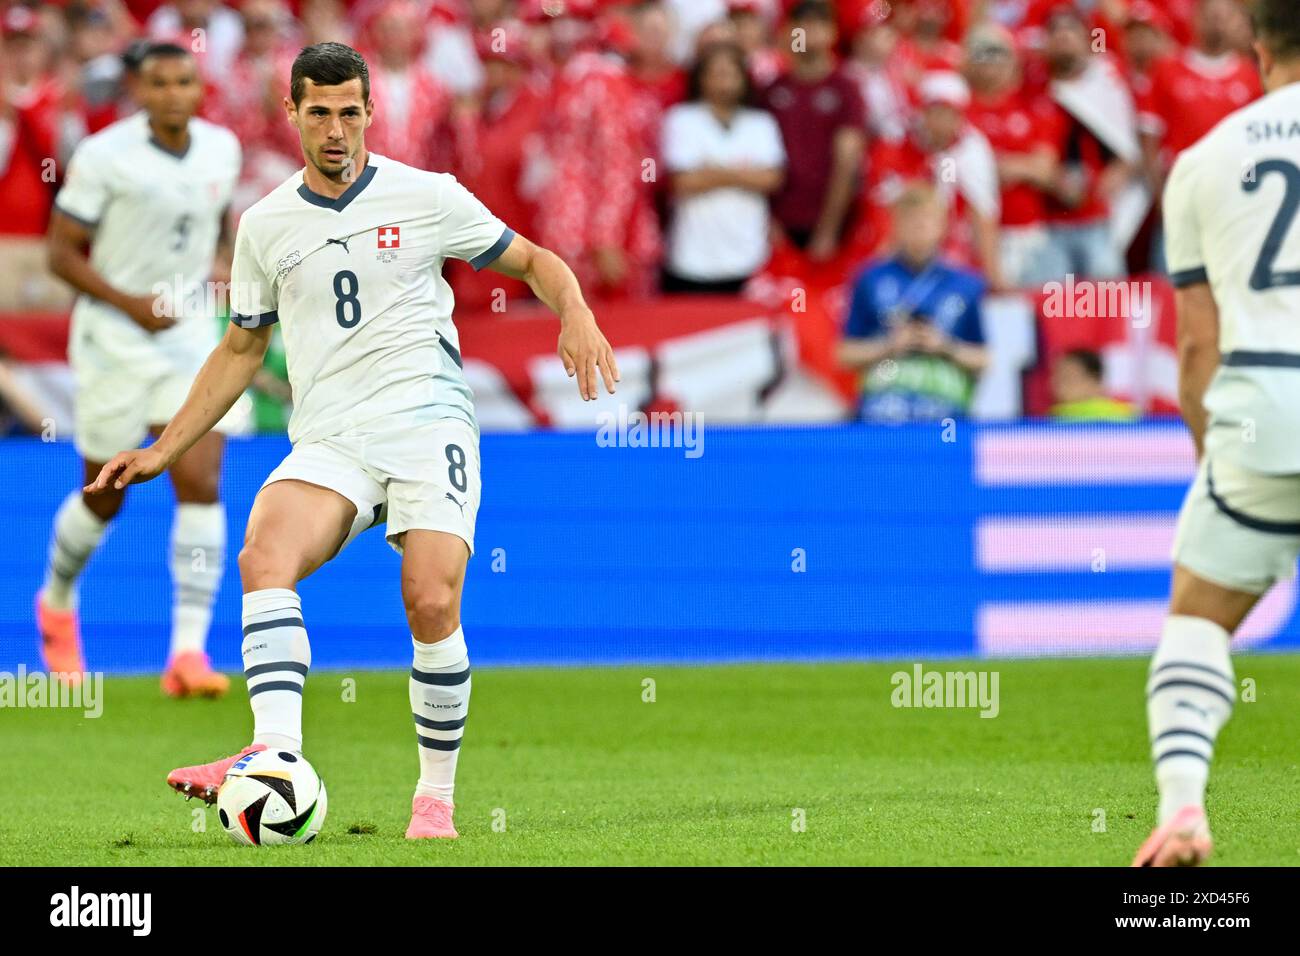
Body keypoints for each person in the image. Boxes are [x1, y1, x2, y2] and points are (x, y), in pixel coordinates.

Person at [85, 42, 619, 840]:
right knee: (265, 555)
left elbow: (535, 260)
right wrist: (163, 450)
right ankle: (272, 757)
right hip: (332, 434)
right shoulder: (265, 224)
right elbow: (240, 348)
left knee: (431, 599)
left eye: (349, 112)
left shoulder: (428, 196)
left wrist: (574, 310)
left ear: (370, 112)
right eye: (319, 112)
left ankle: (434, 797)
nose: (335, 129)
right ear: (293, 113)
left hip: (427, 419)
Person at [1132, 0, 1300, 867]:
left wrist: (1210, 448)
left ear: (1258, 47)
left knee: (1198, 619)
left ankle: (1184, 813)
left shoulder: (1204, 158)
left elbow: (1197, 342)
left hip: (1263, 407)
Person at [40, 42, 242, 698]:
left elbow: (213, 227)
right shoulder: (105, 156)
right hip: (112, 339)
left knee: (201, 479)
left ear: (198, 87)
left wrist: (222, 277)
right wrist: (130, 302)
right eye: (160, 83)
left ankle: (188, 652)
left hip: (187, 336)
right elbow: (61, 254)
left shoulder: (222, 148)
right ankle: (59, 602)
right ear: (140, 91)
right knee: (106, 493)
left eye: (186, 80)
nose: (175, 93)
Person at [837, 182, 988, 422]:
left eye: (926, 220)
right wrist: (889, 345)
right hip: (882, 413)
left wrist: (944, 346)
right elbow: (844, 353)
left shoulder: (966, 284)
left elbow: (984, 358)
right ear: (895, 225)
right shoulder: (870, 278)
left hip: (944, 413)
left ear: (942, 226)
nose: (919, 228)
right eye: (911, 221)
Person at [661, 41, 785, 293]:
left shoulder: (761, 123)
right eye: (716, 73)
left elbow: (773, 179)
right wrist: (745, 173)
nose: (724, 81)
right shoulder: (681, 119)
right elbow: (682, 182)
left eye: (730, 73)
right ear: (701, 78)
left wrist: (711, 171)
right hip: (693, 259)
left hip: (749, 256)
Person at [760, 0, 866, 263]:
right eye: (800, 25)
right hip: (778, 224)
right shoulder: (772, 90)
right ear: (787, 32)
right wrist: (767, 219)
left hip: (829, 222)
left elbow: (847, 162)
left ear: (833, 33)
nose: (807, 32)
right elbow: (755, 157)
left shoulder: (846, 90)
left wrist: (828, 229)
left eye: (818, 24)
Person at [1047, 348, 1137, 421]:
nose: (1056, 383)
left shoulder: (1124, 417)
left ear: (1095, 380)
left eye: (1067, 377)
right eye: (1056, 375)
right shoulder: (1053, 418)